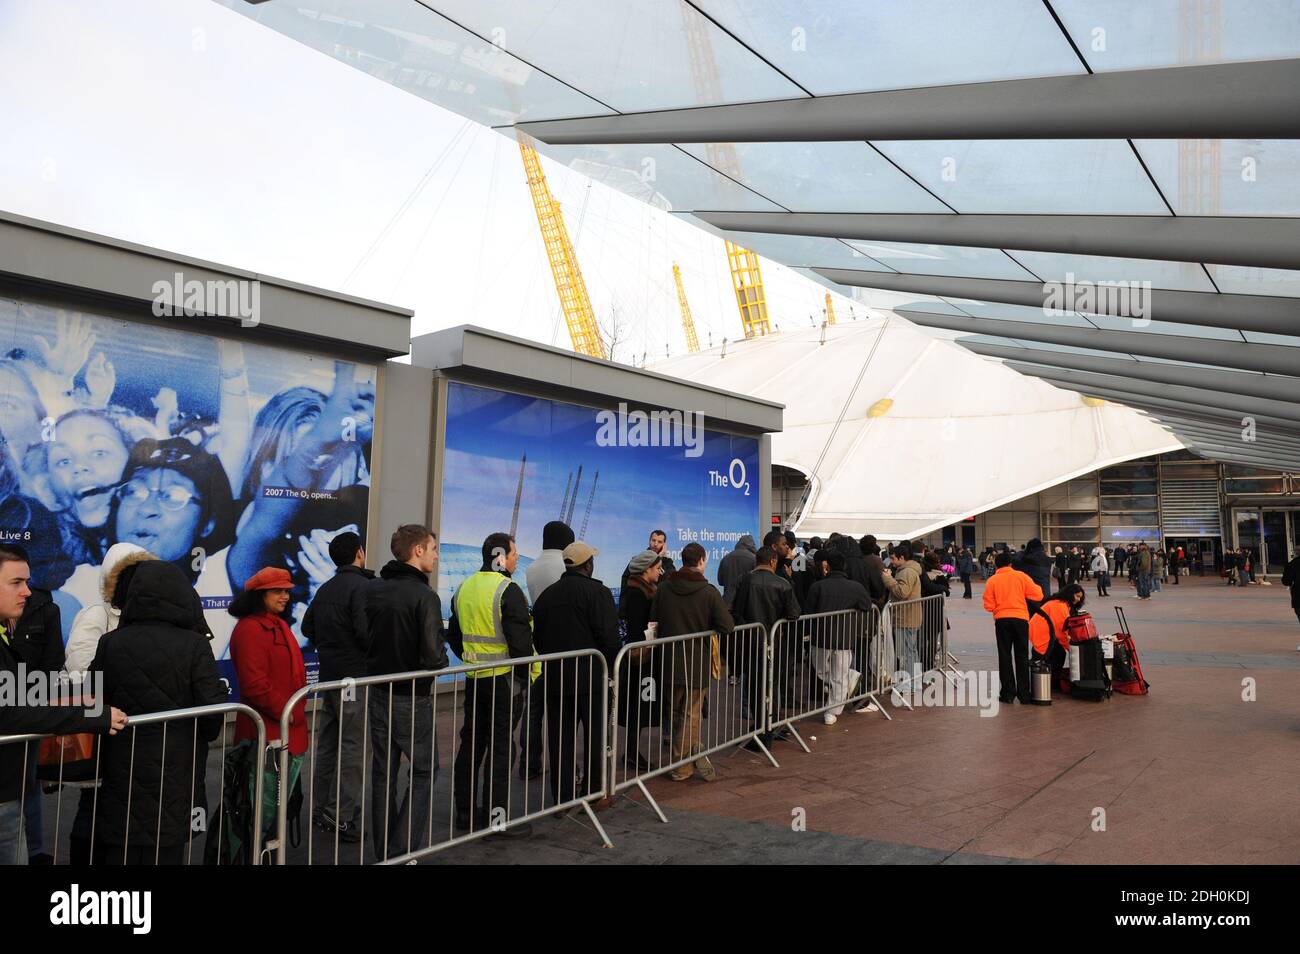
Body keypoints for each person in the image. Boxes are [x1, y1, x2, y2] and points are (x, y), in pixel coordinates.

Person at [90, 559, 227, 864]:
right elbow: (210, 720)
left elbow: (93, 701)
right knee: (165, 851)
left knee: (120, 851)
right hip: (175, 773)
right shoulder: (194, 645)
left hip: (120, 768)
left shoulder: (110, 643)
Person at [0, 544, 126, 866]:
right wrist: (92, 715)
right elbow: (13, 710)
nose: (27, 591)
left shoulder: (23, 621)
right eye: (16, 582)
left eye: (27, 581)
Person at [61, 541, 152, 864]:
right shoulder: (95, 615)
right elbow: (79, 670)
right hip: (101, 728)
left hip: (128, 732)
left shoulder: (144, 618)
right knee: (94, 807)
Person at [365, 525, 447, 859]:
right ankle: (401, 850)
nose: (436, 555)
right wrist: (441, 657)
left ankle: (386, 850)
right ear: (417, 551)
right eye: (433, 548)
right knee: (426, 770)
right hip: (412, 697)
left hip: (377, 692)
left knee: (384, 774)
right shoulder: (425, 596)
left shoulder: (373, 590)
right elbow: (432, 656)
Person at [448, 532, 534, 835]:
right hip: (503, 681)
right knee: (501, 749)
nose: (516, 558)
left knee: (471, 745)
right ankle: (498, 819)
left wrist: (472, 660)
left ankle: (466, 814)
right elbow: (521, 644)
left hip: (474, 679)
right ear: (500, 555)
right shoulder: (506, 590)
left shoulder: (464, 588)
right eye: (514, 553)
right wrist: (523, 678)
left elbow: (454, 637)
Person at [531, 541, 620, 806]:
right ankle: (593, 794)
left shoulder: (547, 596)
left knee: (560, 741)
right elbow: (610, 639)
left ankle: (563, 798)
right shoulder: (597, 593)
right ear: (588, 565)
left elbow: (539, 639)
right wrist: (612, 669)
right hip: (592, 679)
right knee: (595, 738)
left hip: (556, 680)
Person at [300, 530, 373, 842]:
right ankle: (340, 816)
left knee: (328, 743)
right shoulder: (363, 587)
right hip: (355, 678)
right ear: (359, 553)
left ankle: (321, 809)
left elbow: (307, 627)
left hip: (329, 676)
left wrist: (329, 647)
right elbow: (365, 631)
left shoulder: (326, 589)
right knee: (355, 747)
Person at [229, 566, 308, 843]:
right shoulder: (250, 629)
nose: (285, 596)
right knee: (258, 816)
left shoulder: (278, 624)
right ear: (259, 595)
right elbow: (255, 686)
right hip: (267, 737)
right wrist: (290, 713)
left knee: (274, 815)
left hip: (286, 733)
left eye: (287, 590)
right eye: (278, 591)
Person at [650, 541, 733, 782]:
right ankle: (682, 765)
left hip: (668, 660)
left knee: (675, 712)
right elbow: (726, 625)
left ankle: (688, 753)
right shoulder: (708, 592)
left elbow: (653, 619)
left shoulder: (665, 589)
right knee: (691, 714)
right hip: (697, 663)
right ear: (702, 561)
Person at [729, 545, 800, 749]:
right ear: (773, 561)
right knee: (771, 684)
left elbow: (729, 605)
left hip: (749, 641)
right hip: (773, 642)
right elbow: (794, 612)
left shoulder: (743, 580)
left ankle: (764, 730)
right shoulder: (782, 584)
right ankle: (769, 727)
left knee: (753, 686)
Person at [520, 521, 574, 782]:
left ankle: (528, 763)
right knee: (560, 713)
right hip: (561, 645)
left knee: (533, 710)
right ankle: (563, 766)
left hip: (536, 645)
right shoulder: (563, 566)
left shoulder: (531, 567)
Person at [804, 549, 875, 724]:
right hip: (844, 637)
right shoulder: (856, 587)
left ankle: (834, 705)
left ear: (826, 565)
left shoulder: (818, 586)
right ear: (845, 566)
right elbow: (866, 606)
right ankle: (833, 709)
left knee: (821, 670)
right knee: (839, 675)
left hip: (821, 637)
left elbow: (808, 611)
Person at [615, 549, 666, 770]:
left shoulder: (642, 589)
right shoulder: (637, 593)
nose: (660, 572)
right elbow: (637, 628)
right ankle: (632, 752)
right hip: (641, 658)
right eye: (657, 568)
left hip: (642, 656)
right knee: (639, 705)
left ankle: (633, 751)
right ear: (646, 570)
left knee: (641, 704)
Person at [982, 550, 1044, 705]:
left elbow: (988, 605)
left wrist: (998, 608)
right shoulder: (1021, 576)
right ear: (1011, 563)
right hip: (1021, 619)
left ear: (996, 564)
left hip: (1002, 620)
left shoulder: (992, 580)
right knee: (1022, 655)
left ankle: (1008, 693)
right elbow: (1038, 595)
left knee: (1005, 655)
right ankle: (1024, 694)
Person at [881, 541, 923, 688]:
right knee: (911, 651)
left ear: (902, 557)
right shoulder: (910, 570)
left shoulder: (907, 572)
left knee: (905, 653)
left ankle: (909, 683)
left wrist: (888, 579)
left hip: (905, 618)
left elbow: (902, 592)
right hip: (909, 617)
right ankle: (915, 681)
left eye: (893, 558)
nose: (891, 562)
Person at [1029, 584, 1084, 686]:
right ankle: (1047, 683)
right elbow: (1060, 632)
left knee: (1056, 654)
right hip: (1043, 635)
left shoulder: (1061, 604)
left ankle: (1049, 681)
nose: (1078, 600)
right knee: (1054, 656)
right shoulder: (1060, 606)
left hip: (1043, 634)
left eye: (1080, 597)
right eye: (1077, 596)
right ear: (1070, 594)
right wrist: (1071, 649)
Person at [716, 533, 756, 603]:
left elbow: (720, 581)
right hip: (746, 602)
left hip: (728, 601)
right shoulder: (754, 559)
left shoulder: (725, 558)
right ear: (752, 546)